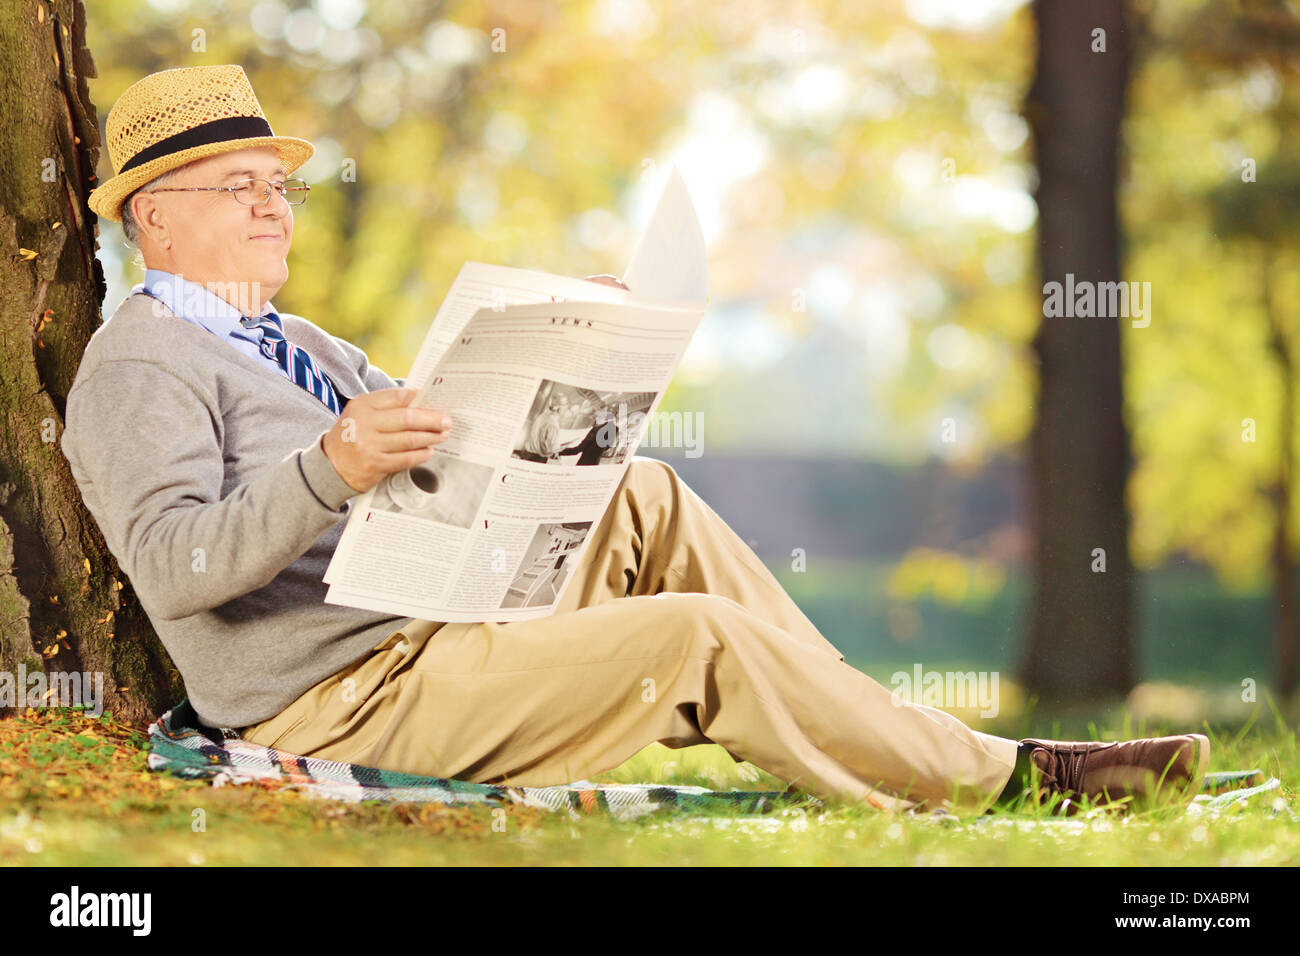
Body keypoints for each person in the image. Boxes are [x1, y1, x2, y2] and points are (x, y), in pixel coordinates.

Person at [63, 64, 1210, 817]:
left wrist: (570, 350)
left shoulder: (295, 334)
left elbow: (422, 449)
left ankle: (873, 727)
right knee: (701, 636)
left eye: (280, 185)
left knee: (643, 492)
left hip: (431, 619)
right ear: (152, 213)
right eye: (241, 186)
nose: (275, 205)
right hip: (346, 690)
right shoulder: (138, 365)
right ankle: (1016, 783)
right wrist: (331, 467)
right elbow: (173, 566)